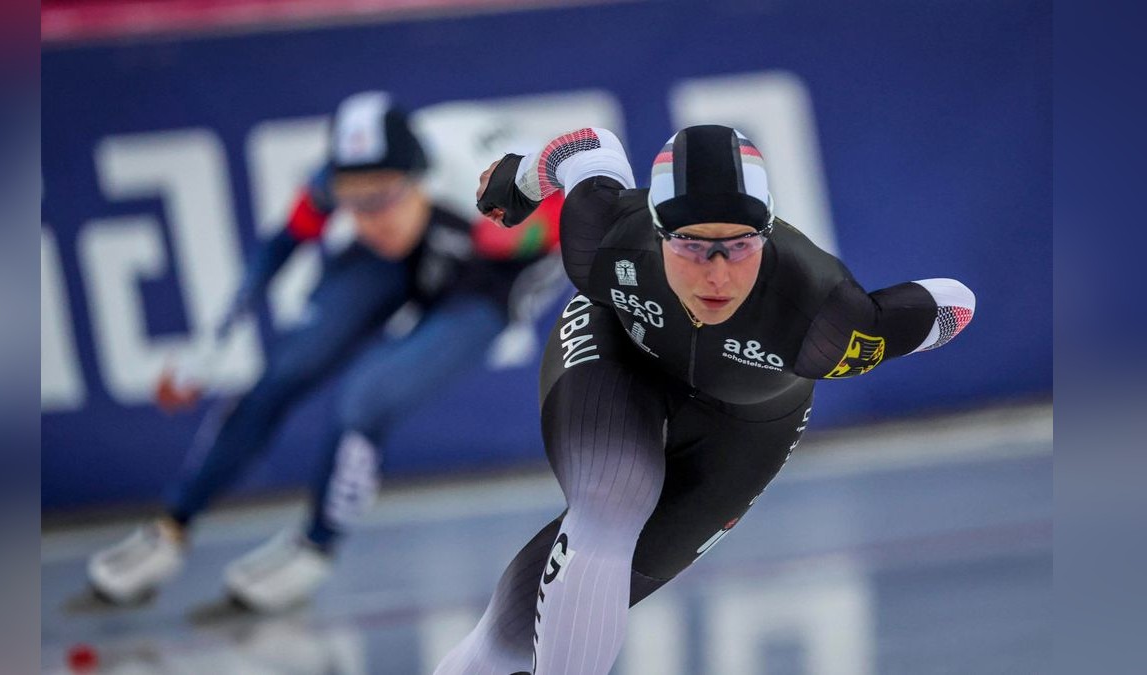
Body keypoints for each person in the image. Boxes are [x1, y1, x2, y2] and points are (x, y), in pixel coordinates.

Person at [434, 125, 976, 675]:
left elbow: (956, 303)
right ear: (656, 230)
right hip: (620, 351)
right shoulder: (607, 236)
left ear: (766, 235)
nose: (716, 274)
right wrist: (523, 179)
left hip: (744, 428)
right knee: (610, 501)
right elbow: (590, 148)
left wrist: (910, 326)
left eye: (739, 245)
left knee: (513, 629)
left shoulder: (824, 321)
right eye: (691, 243)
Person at [87, 92, 564, 613]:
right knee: (286, 369)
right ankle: (170, 527)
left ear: (419, 179)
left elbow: (577, 227)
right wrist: (208, 348)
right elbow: (276, 249)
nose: (368, 218)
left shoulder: (493, 190)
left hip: (488, 275)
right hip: (421, 241)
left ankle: (316, 546)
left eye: (382, 198)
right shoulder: (354, 187)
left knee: (365, 399)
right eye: (353, 202)